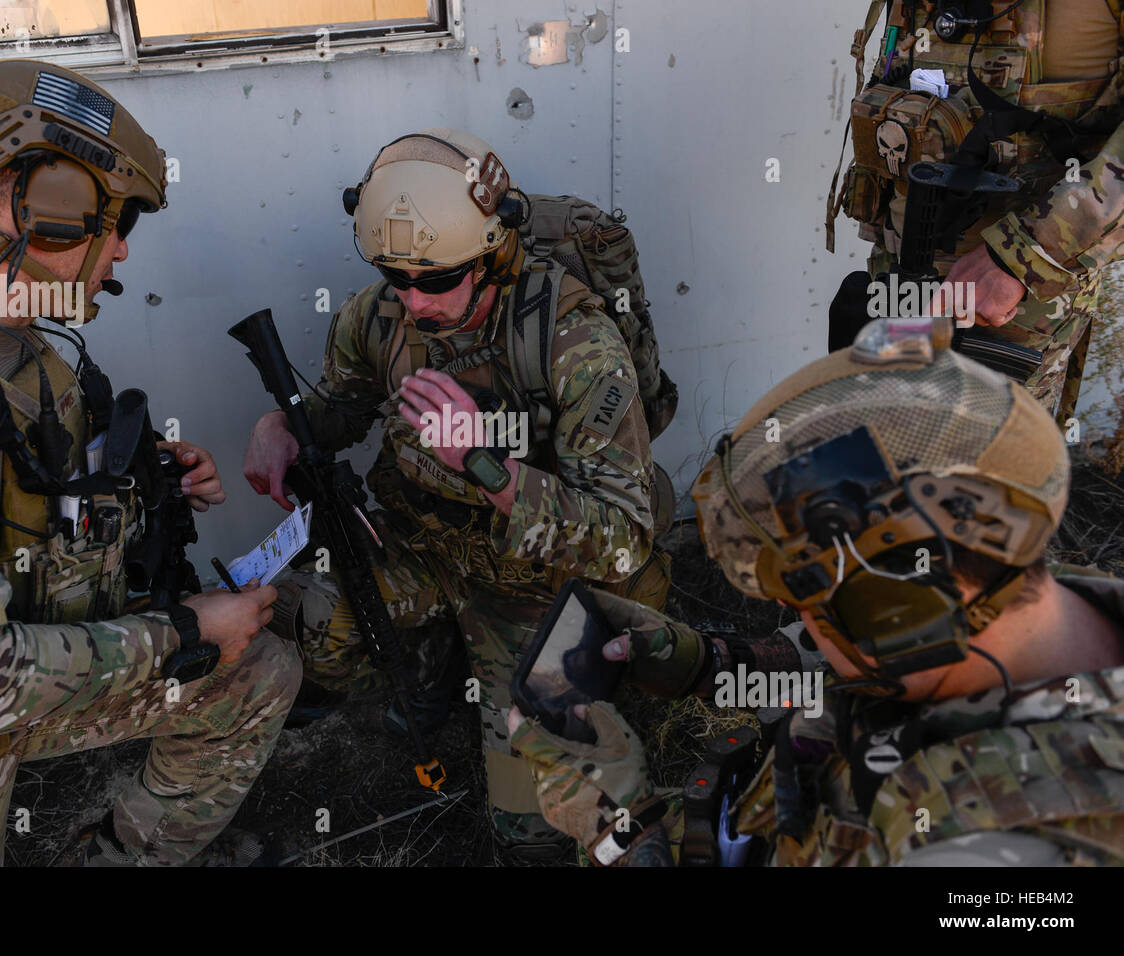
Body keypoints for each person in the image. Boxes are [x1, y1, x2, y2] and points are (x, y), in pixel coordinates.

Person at [0, 59, 299, 866]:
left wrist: (148, 481)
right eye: (113, 222)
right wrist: (182, 628)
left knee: (255, 672)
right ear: (40, 208)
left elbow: (29, 484)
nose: (118, 251)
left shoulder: (6, 340)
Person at [511, 318, 1124, 866]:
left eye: (805, 598)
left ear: (892, 614)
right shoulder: (1042, 602)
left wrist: (622, 829)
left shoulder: (997, 850)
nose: (790, 612)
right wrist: (705, 663)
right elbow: (832, 655)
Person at [244, 128, 662, 855]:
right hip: (419, 546)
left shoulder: (575, 340)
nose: (413, 301)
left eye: (436, 281)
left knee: (528, 828)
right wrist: (281, 424)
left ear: (494, 254)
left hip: (527, 584)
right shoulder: (377, 316)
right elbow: (343, 409)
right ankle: (436, 653)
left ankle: (509, 663)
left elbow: (624, 537)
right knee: (301, 622)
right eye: (395, 276)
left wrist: (485, 464)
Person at [827, 0, 1124, 424]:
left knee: (978, 478)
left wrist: (1024, 256)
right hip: (898, 273)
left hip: (1010, 300)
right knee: (884, 461)